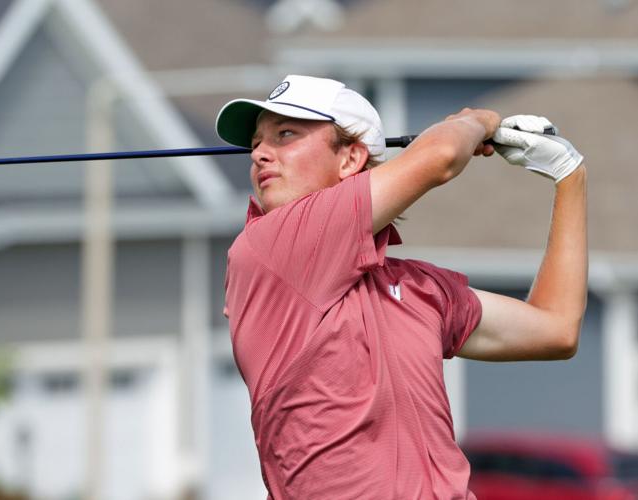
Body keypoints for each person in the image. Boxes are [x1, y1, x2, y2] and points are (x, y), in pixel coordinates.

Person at [216, 75, 587, 499]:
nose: (261, 153)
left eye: (285, 135)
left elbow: (556, 328)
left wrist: (568, 175)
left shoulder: (417, 288)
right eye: (257, 143)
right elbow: (442, 155)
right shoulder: (269, 249)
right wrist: (476, 120)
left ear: (350, 159)